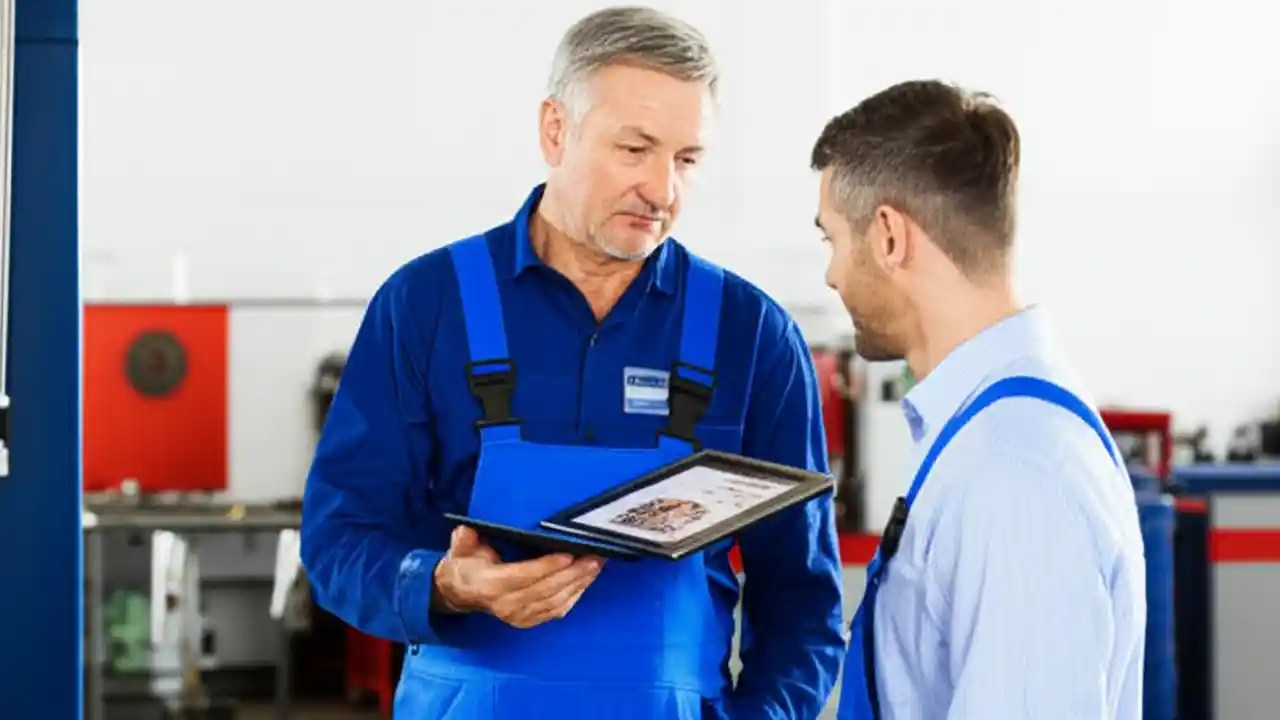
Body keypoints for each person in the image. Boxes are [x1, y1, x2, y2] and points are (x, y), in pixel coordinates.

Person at [300, 6, 845, 718]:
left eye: (687, 159)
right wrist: (445, 584)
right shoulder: (428, 306)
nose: (663, 190)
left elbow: (804, 605)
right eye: (634, 149)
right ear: (555, 130)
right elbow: (340, 539)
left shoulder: (753, 335)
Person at [810, 81, 1147, 719]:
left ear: (887, 237)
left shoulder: (1014, 472)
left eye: (832, 239)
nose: (830, 274)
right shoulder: (990, 432)